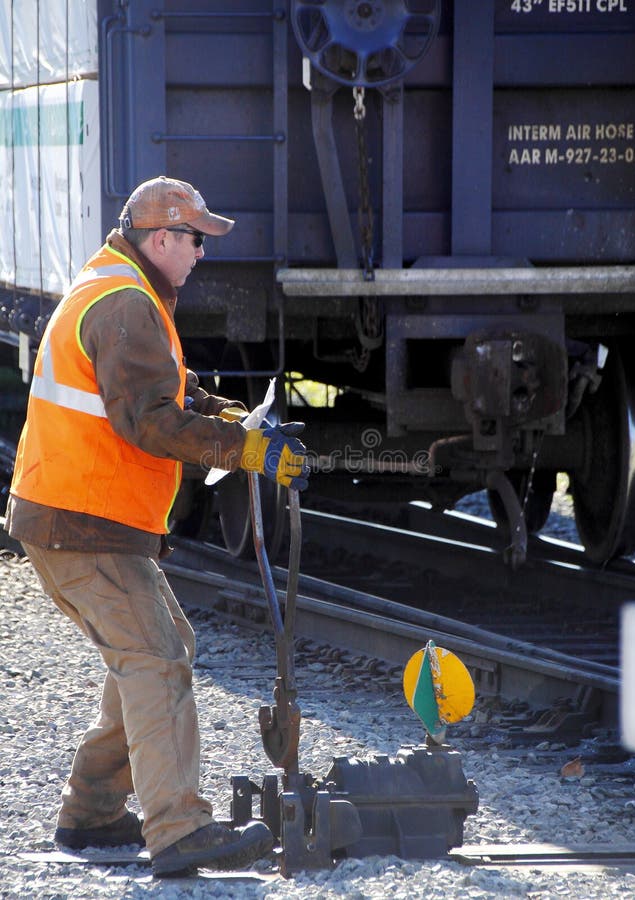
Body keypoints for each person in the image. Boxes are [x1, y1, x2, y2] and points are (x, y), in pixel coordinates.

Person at [5, 175, 309, 877]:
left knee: (160, 646)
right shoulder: (124, 304)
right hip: (80, 518)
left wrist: (236, 419)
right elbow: (149, 420)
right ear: (162, 237)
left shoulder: (124, 291)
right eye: (196, 239)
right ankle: (177, 831)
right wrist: (248, 451)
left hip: (81, 514)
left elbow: (170, 387)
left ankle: (93, 813)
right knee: (155, 658)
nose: (202, 252)